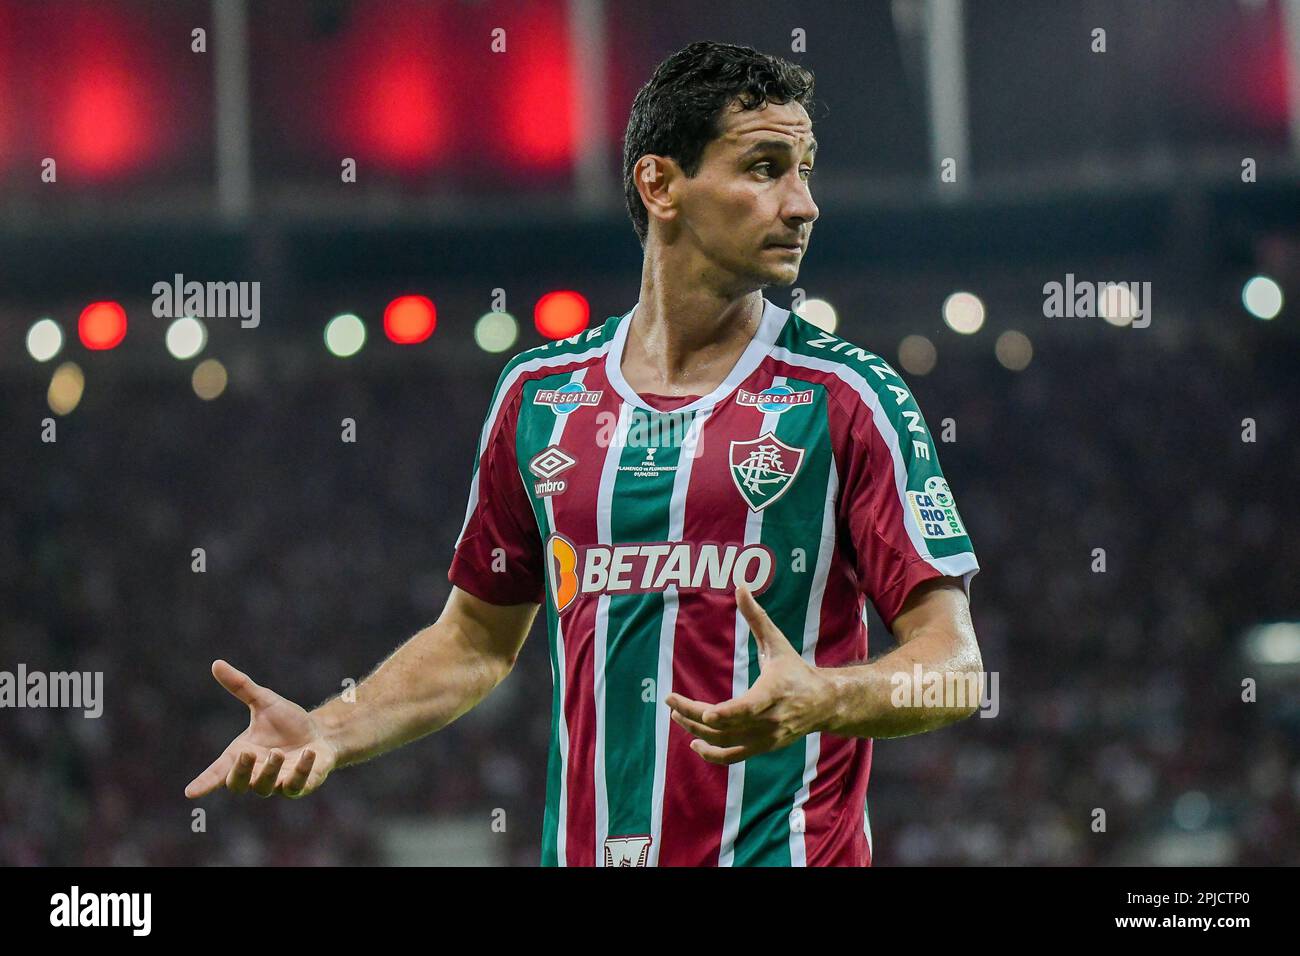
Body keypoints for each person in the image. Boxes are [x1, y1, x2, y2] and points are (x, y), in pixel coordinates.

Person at [186, 40, 983, 867]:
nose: (803, 203)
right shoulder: (541, 396)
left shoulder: (847, 398)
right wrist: (329, 727)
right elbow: (476, 642)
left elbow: (956, 668)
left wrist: (826, 698)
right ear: (659, 183)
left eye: (805, 169)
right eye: (765, 167)